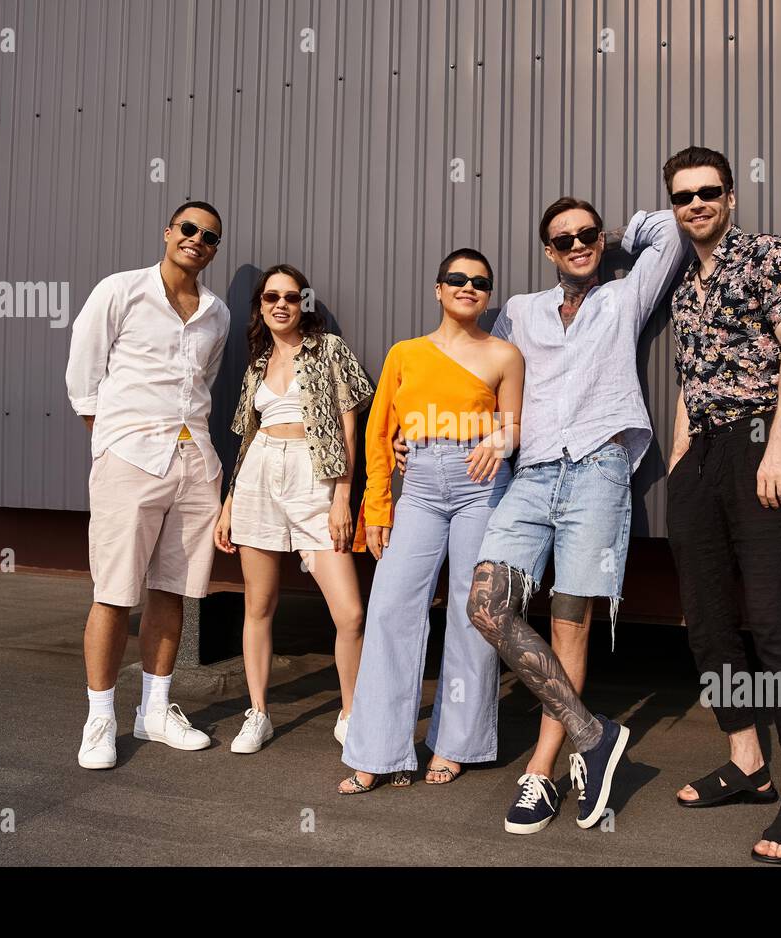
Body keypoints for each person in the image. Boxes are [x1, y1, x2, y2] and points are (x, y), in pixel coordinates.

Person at [455, 192, 686, 832]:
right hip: (530, 473)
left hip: (599, 468)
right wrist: (487, 432)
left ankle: (542, 769)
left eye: (586, 235)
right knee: (485, 607)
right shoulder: (522, 312)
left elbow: (669, 229)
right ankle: (596, 735)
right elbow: (487, 375)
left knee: (569, 621)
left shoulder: (624, 297)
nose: (579, 244)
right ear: (546, 250)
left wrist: (610, 236)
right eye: (563, 239)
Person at [662, 146, 781, 863]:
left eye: (708, 191)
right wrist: (677, 463)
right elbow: (688, 382)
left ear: (730, 195)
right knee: (707, 620)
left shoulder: (768, 256)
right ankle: (747, 760)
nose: (696, 203)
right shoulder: (681, 289)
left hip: (759, 446)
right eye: (683, 196)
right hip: (699, 459)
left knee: (775, 622)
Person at [336, 249, 524, 794]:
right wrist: (376, 508)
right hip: (418, 484)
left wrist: (499, 436)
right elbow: (378, 434)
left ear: (488, 295)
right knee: (391, 607)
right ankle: (378, 749)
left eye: (480, 282)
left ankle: (454, 744)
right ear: (438, 289)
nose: (469, 286)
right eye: (457, 279)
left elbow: (515, 427)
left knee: (474, 612)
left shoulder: (504, 355)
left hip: (480, 485)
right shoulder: (406, 353)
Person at [66, 200, 230, 769]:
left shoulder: (217, 312)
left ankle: (155, 710)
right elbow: (83, 377)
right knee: (114, 591)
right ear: (167, 232)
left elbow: (201, 382)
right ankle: (101, 718)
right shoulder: (119, 290)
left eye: (209, 236)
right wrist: (115, 441)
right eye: (188, 229)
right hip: (131, 457)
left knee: (172, 588)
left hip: (195, 461)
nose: (197, 240)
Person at [213, 264, 375, 754]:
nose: (280, 304)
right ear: (261, 306)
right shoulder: (257, 362)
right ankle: (258, 712)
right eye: (270, 297)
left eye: (290, 296)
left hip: (314, 479)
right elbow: (246, 440)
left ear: (303, 301)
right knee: (258, 606)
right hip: (260, 474)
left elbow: (350, 432)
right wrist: (229, 502)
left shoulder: (329, 350)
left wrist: (343, 496)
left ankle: (351, 713)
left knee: (349, 613)